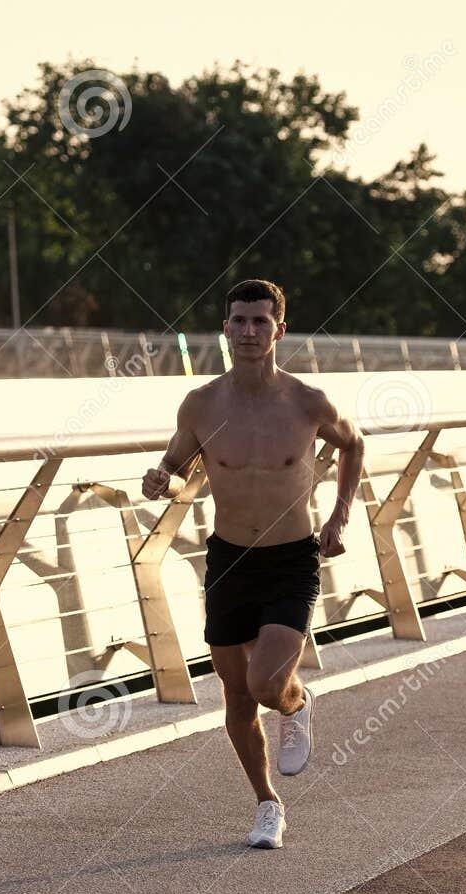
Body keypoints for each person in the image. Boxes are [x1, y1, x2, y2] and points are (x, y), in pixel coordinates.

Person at [142, 279, 364, 850]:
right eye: (238, 321)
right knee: (237, 694)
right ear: (225, 329)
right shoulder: (202, 404)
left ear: (279, 331)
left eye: (260, 322)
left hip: (292, 560)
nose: (248, 332)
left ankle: (295, 701)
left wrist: (338, 517)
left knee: (267, 685)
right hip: (229, 560)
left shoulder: (307, 402)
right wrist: (160, 479)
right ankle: (268, 805)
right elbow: (176, 464)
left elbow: (353, 444)